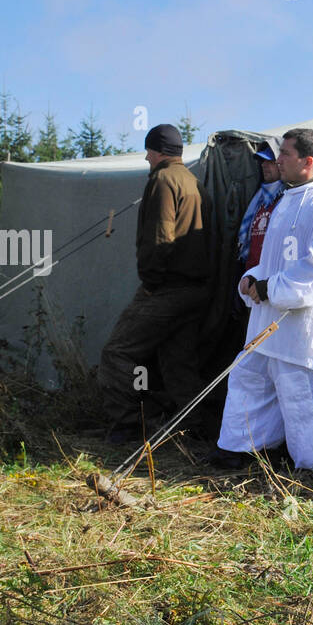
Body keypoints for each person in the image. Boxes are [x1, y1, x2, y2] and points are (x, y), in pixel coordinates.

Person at [214, 128, 313, 471]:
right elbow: (275, 260)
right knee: (248, 380)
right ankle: (239, 450)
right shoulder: (286, 199)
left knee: (303, 397)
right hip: (269, 322)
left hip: (304, 327)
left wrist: (270, 288)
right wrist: (252, 279)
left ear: (307, 161)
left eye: (285, 154)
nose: (278, 161)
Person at [99, 123, 210, 442]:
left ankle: (129, 424)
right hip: (196, 288)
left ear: (158, 151)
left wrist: (151, 282)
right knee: (178, 362)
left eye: (149, 150)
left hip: (167, 288)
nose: (146, 157)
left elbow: (160, 237)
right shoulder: (193, 181)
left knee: (117, 352)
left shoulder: (163, 179)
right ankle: (195, 427)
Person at [237, 142, 285, 269]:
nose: (264, 165)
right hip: (252, 273)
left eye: (270, 161)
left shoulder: (290, 198)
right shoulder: (259, 198)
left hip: (273, 275)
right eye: (263, 161)